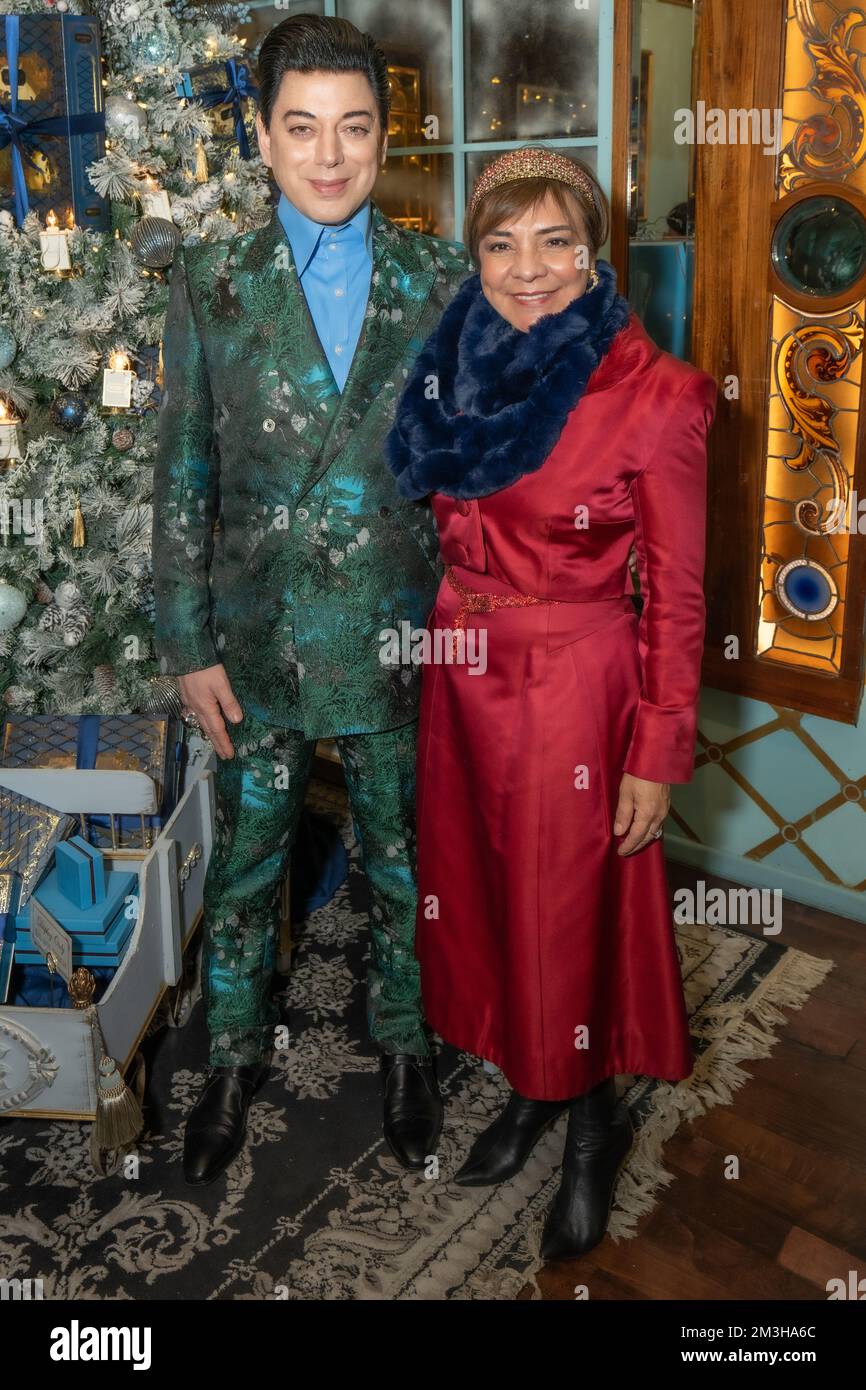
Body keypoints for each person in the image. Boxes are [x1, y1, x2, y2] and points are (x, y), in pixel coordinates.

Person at [152, 14, 472, 1186]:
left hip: (400, 631)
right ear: (262, 134)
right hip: (258, 641)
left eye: (353, 128)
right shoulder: (212, 283)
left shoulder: (442, 279)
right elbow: (183, 472)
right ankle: (233, 1058)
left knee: (406, 861)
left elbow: (486, 461)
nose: (328, 156)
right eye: (301, 128)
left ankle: (405, 1048)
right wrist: (186, 643)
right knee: (246, 865)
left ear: (388, 136)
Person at [385, 146, 718, 1260]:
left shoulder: (655, 394)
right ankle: (529, 1086)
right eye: (499, 242)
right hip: (461, 664)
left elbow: (676, 594)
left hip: (574, 685)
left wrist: (655, 751)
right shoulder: (453, 364)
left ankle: (586, 1127)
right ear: (473, 253)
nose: (526, 271)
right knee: (480, 897)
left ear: (593, 252)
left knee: (566, 916)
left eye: (554, 243)